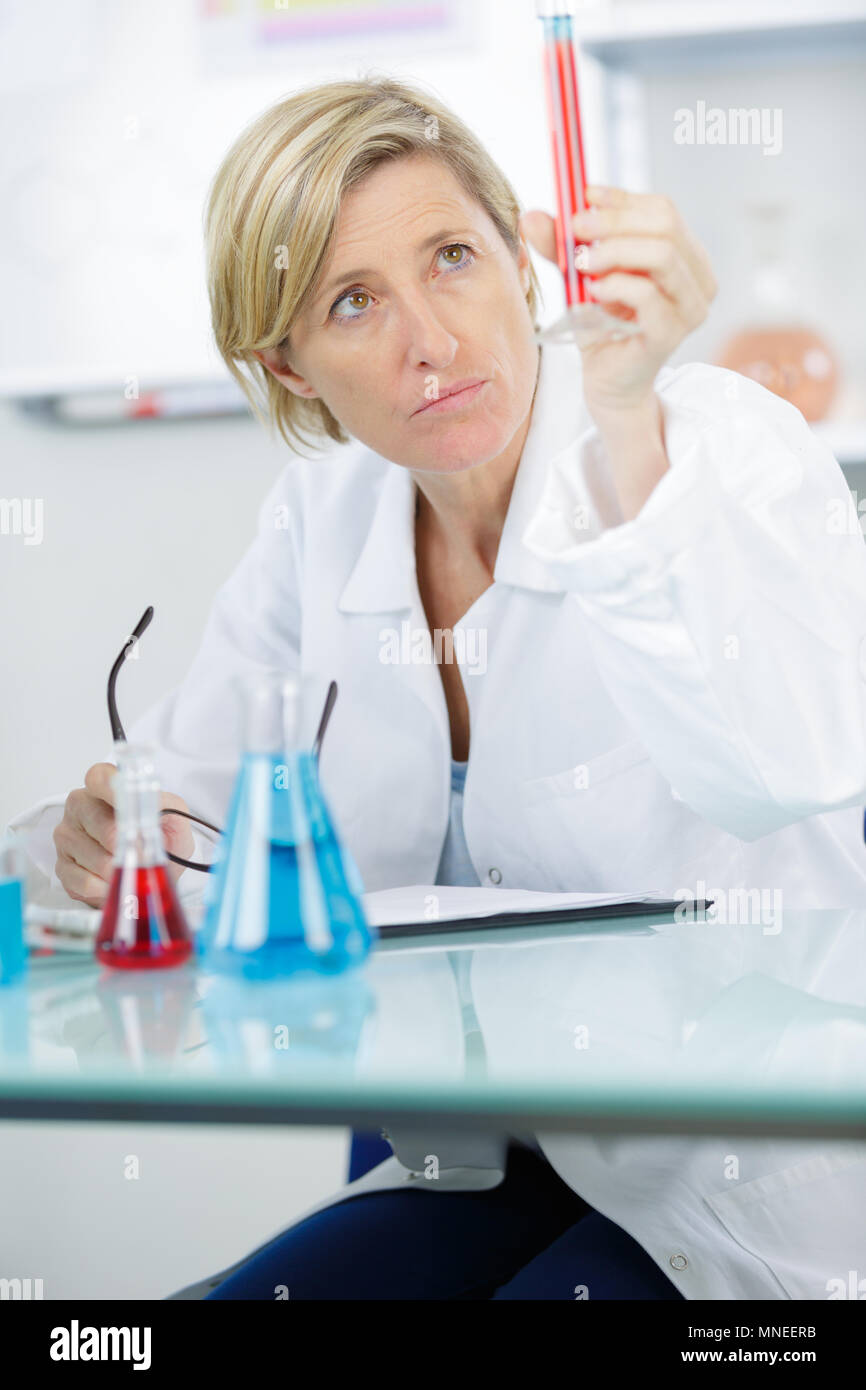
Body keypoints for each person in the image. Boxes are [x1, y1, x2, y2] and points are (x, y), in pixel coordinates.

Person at [8, 77, 866, 1300]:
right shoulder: (323, 517)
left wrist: (624, 428)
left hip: (739, 1186)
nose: (431, 340)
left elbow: (787, 766)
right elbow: (188, 827)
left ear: (522, 261)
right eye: (352, 302)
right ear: (288, 366)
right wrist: (89, 845)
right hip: (477, 1167)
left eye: (452, 258)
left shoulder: (708, 440)